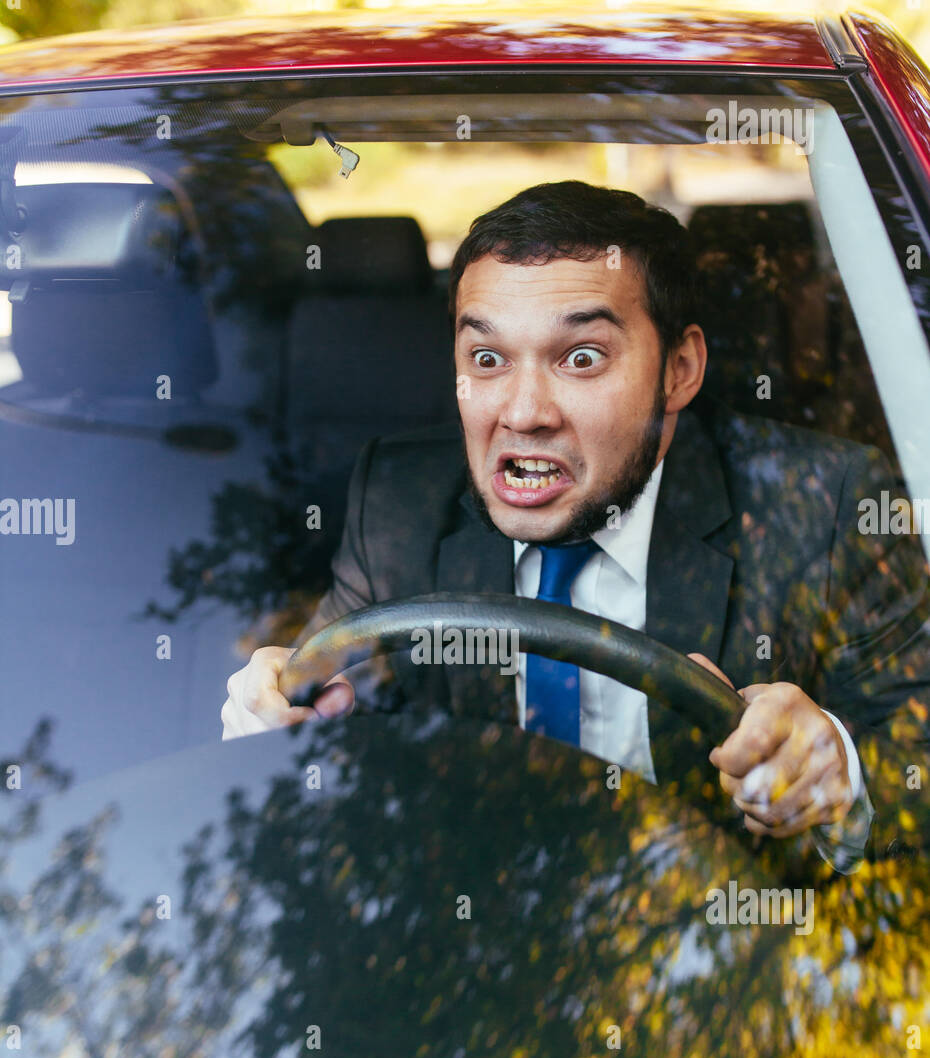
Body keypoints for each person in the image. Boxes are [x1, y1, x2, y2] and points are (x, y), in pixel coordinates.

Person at [222, 181, 930, 868]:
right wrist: (273, 719)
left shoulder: (825, 505)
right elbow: (335, 708)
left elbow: (916, 770)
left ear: (680, 369)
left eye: (581, 358)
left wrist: (841, 775)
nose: (524, 412)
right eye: (488, 359)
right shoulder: (399, 503)